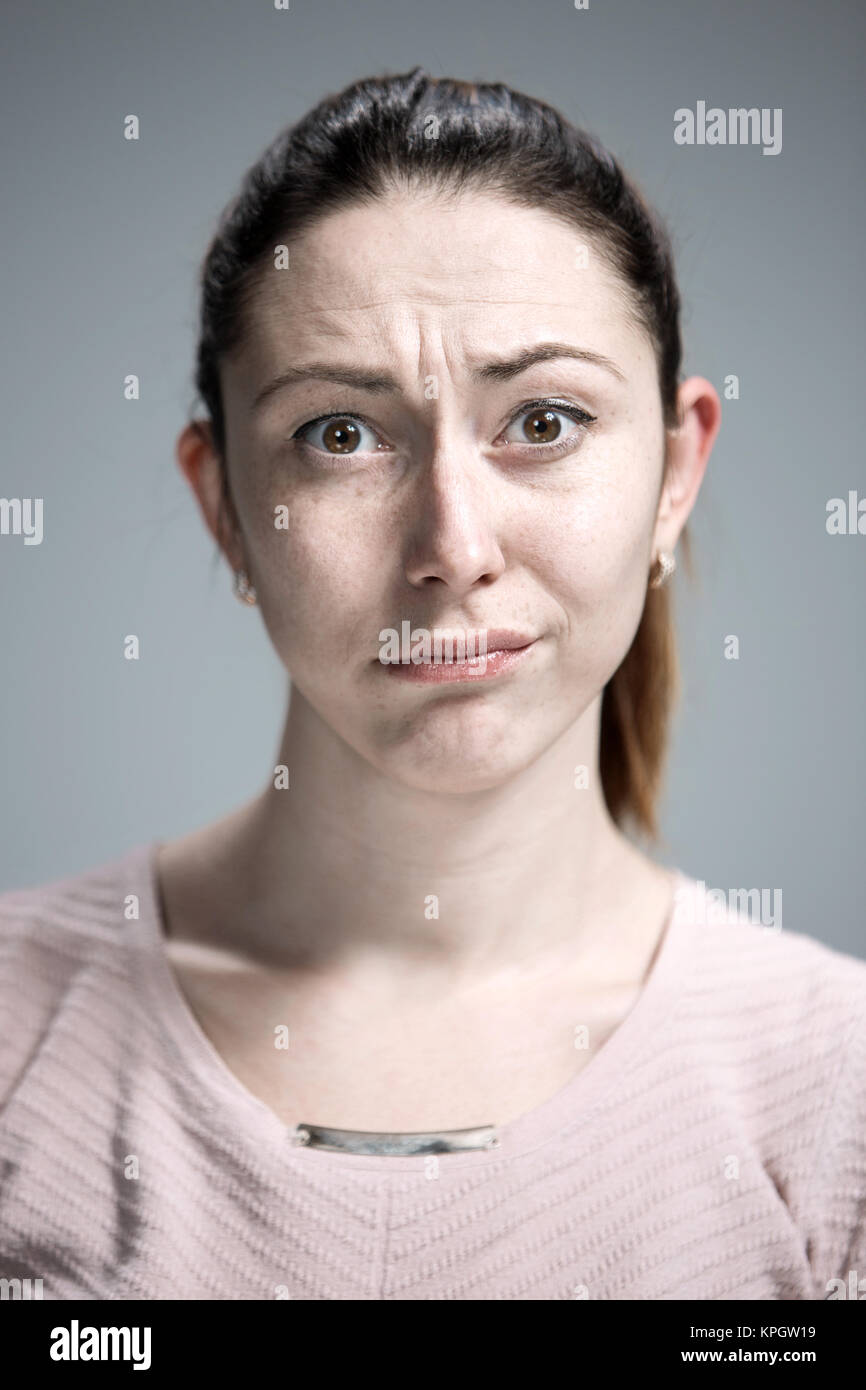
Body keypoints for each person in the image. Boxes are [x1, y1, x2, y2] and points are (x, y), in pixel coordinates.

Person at [1, 68, 864, 1302]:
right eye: (340, 434)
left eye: (545, 420)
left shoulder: (836, 1095)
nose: (453, 545)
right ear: (224, 507)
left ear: (674, 475)